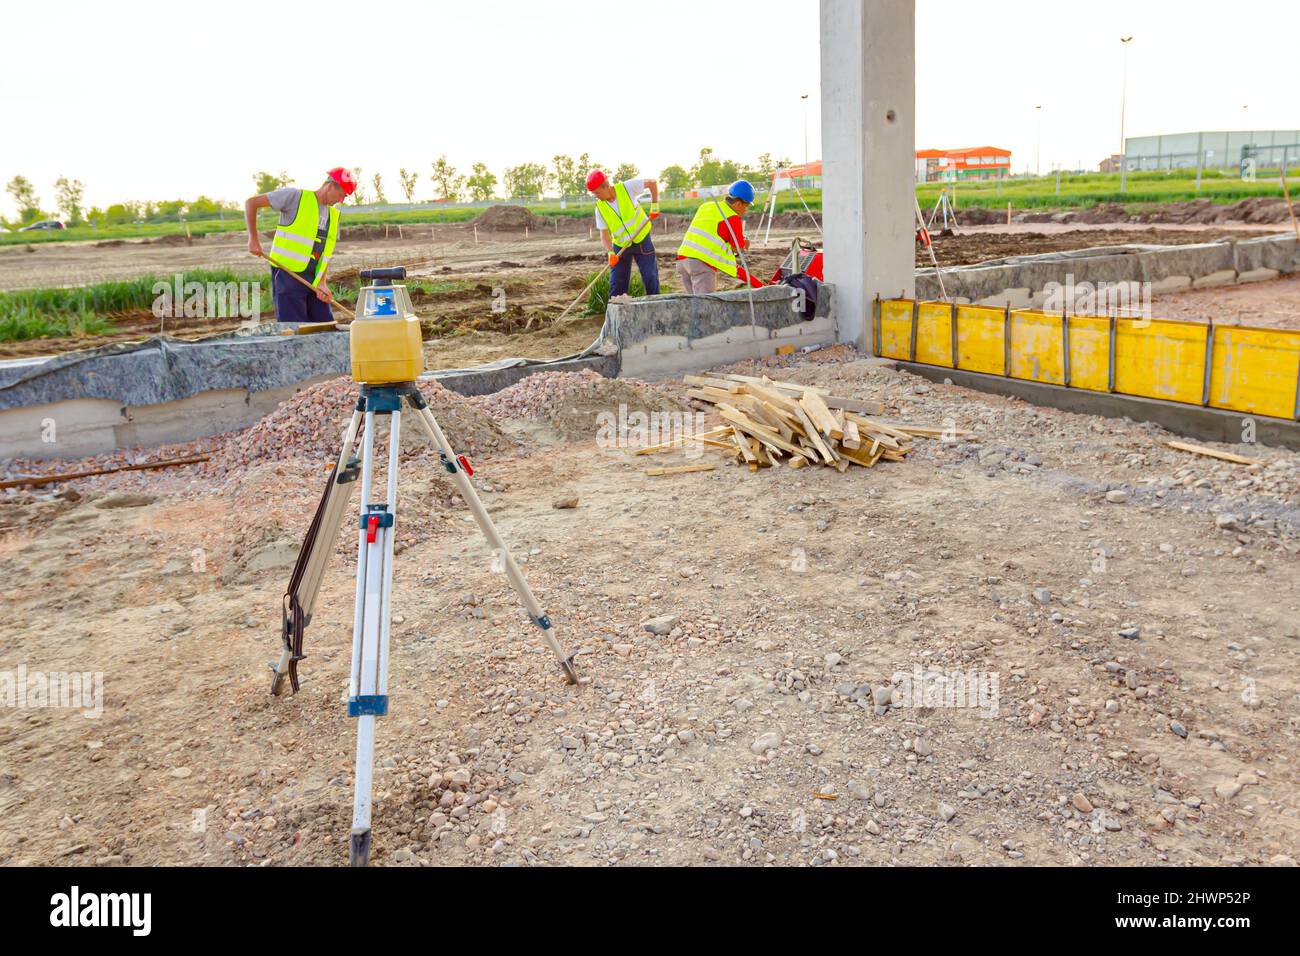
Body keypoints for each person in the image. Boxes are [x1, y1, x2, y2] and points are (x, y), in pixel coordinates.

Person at [245, 167, 355, 324]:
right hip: (288, 274)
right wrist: (253, 238)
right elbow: (251, 203)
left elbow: (325, 254)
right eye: (342, 195)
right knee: (295, 328)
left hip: (314, 281)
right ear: (330, 186)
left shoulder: (333, 216)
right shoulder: (295, 197)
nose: (342, 200)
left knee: (324, 326)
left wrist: (322, 282)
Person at [675, 179, 765, 294]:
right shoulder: (732, 217)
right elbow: (737, 247)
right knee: (706, 305)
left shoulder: (705, 206)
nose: (746, 210)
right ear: (738, 204)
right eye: (746, 206)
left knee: (694, 304)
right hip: (701, 265)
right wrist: (745, 243)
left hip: (683, 260)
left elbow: (712, 231)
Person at [587, 169, 660, 297]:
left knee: (650, 277)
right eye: (594, 194)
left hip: (641, 240)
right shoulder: (600, 208)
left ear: (606, 186)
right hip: (620, 246)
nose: (596, 196)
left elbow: (652, 183)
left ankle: (656, 309)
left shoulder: (627, 188)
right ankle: (617, 312)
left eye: (597, 193)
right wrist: (610, 252)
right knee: (616, 285)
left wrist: (654, 205)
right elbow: (604, 234)